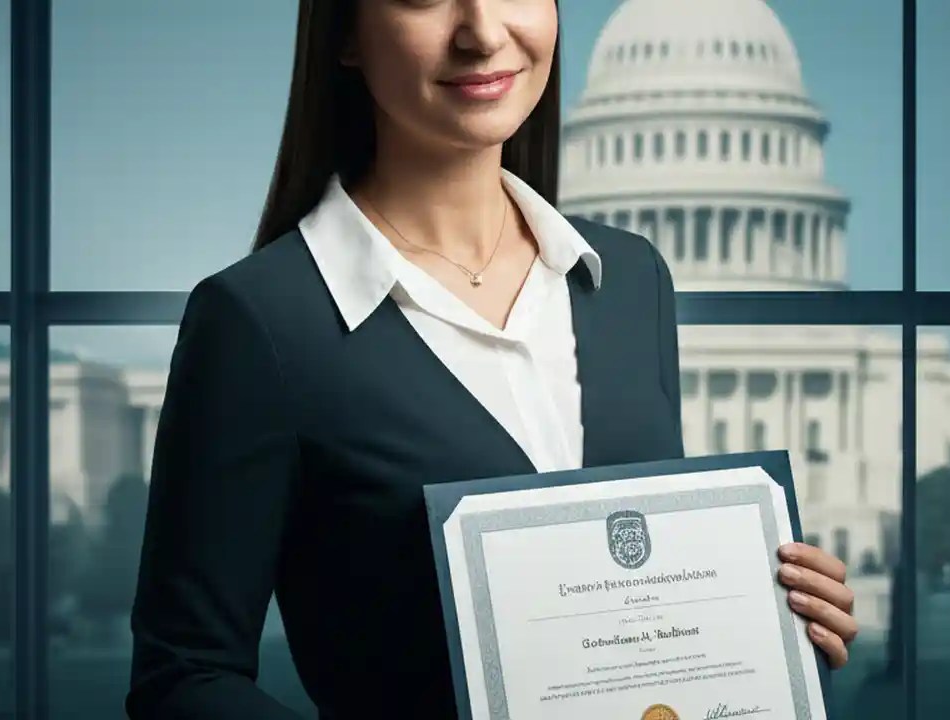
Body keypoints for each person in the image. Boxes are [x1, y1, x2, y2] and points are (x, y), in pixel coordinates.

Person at [126, 1, 859, 717]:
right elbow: (183, 676)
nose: (481, 30)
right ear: (345, 32)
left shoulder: (632, 281)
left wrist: (771, 616)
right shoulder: (262, 321)